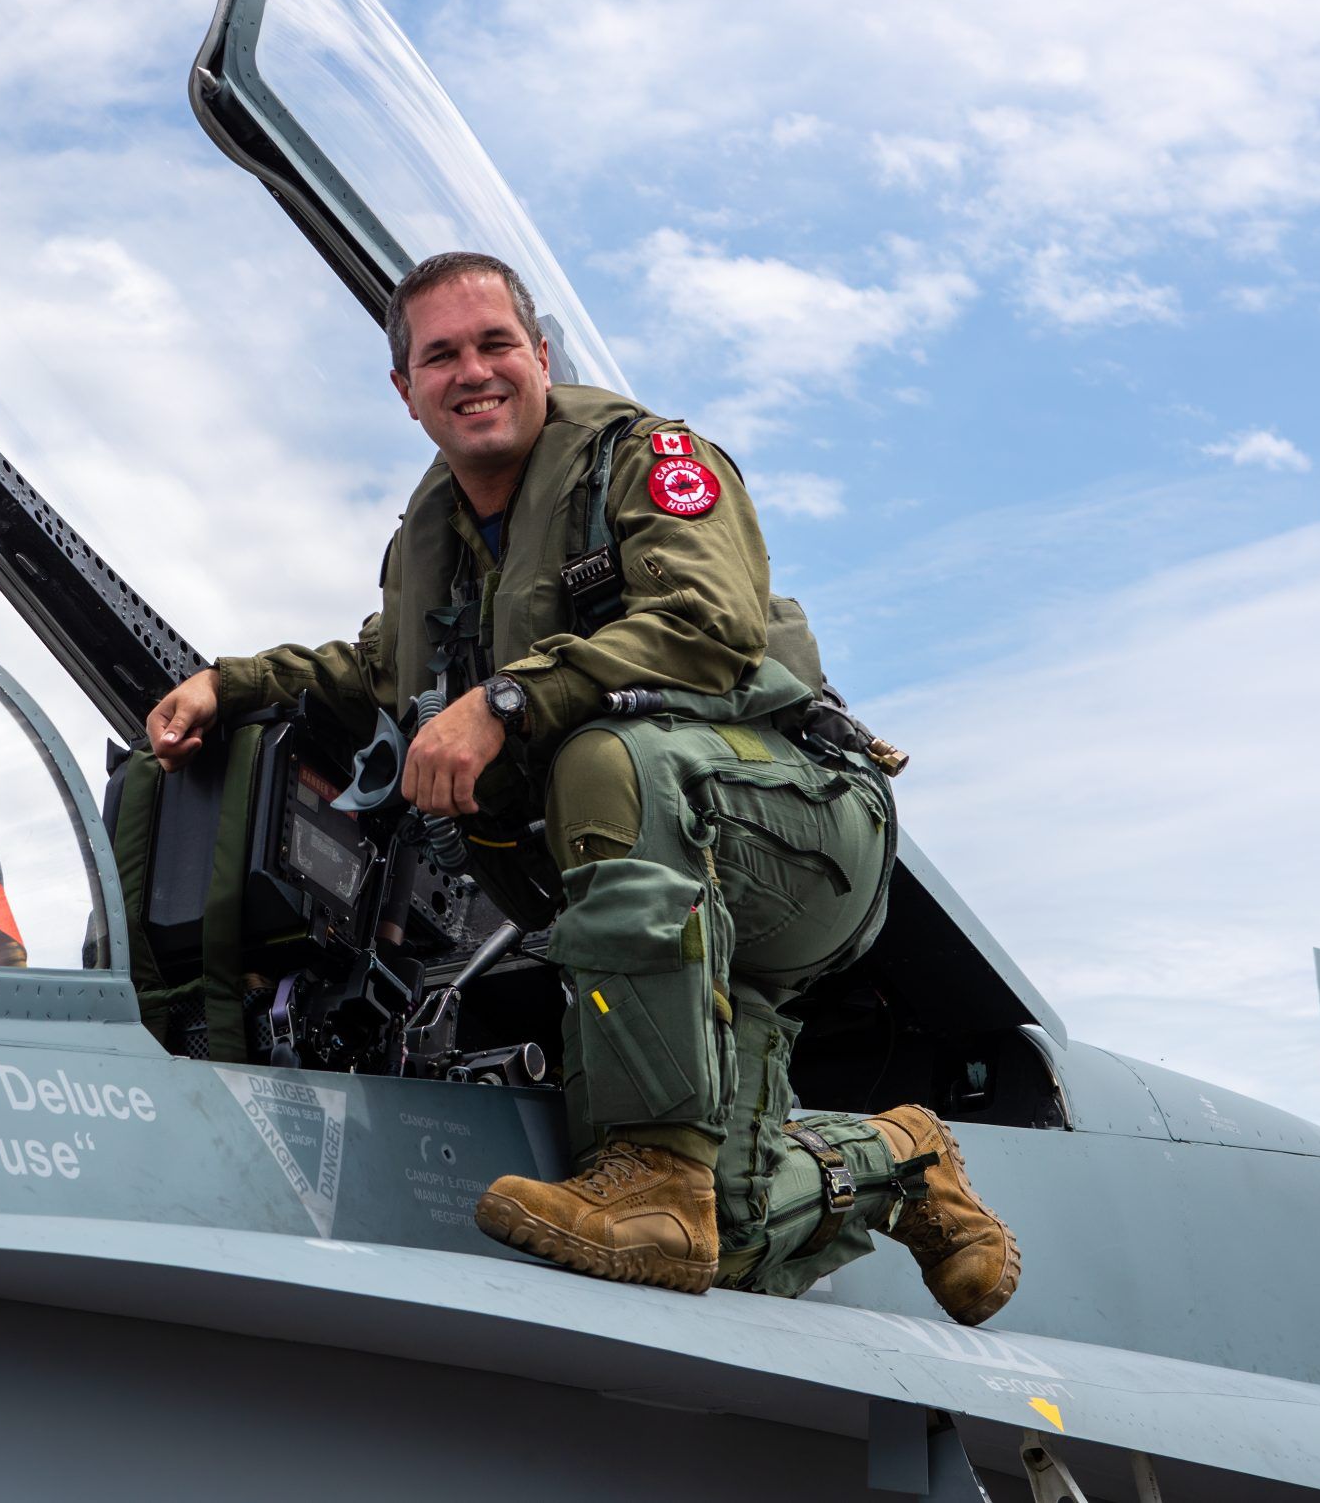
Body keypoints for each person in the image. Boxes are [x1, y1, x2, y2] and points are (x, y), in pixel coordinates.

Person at [143, 251, 1019, 1323]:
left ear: (541, 354)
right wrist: (231, 685)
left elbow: (709, 625)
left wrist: (506, 703)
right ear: (404, 391)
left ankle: (650, 1169)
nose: (473, 371)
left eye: (494, 343)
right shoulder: (435, 547)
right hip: (666, 897)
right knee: (725, 1230)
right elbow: (379, 668)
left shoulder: (644, 461)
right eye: (441, 356)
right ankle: (898, 1158)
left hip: (793, 832)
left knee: (598, 757)